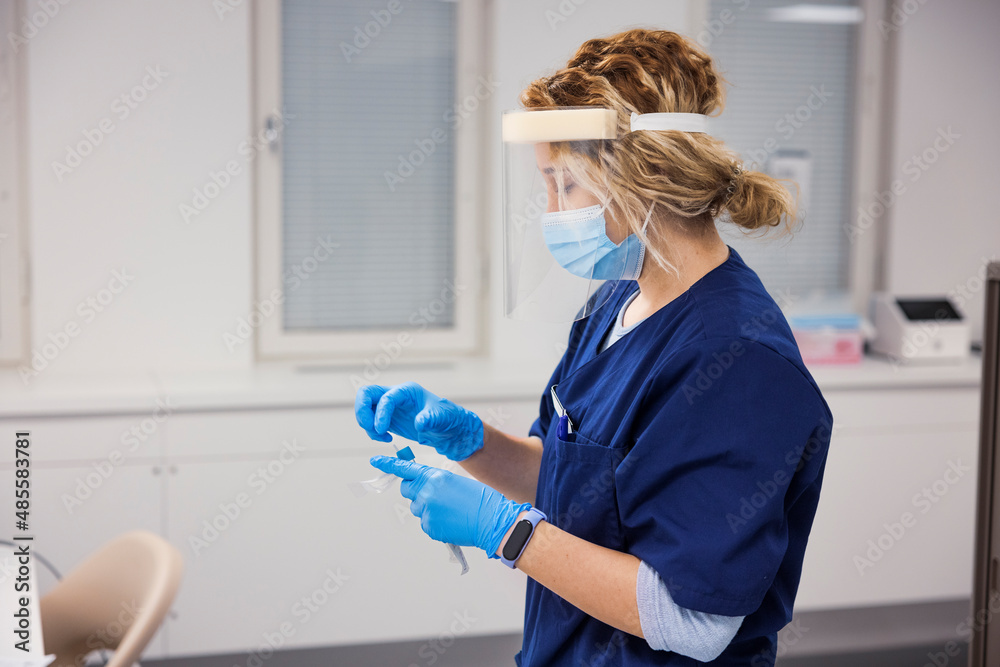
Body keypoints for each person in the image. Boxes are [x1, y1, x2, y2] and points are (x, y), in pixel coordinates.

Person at [356, 28, 832, 666]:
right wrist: (468, 443)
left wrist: (506, 532)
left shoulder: (739, 362)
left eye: (565, 184)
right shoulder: (618, 303)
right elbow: (569, 479)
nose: (551, 211)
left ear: (643, 179)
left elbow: (695, 620)